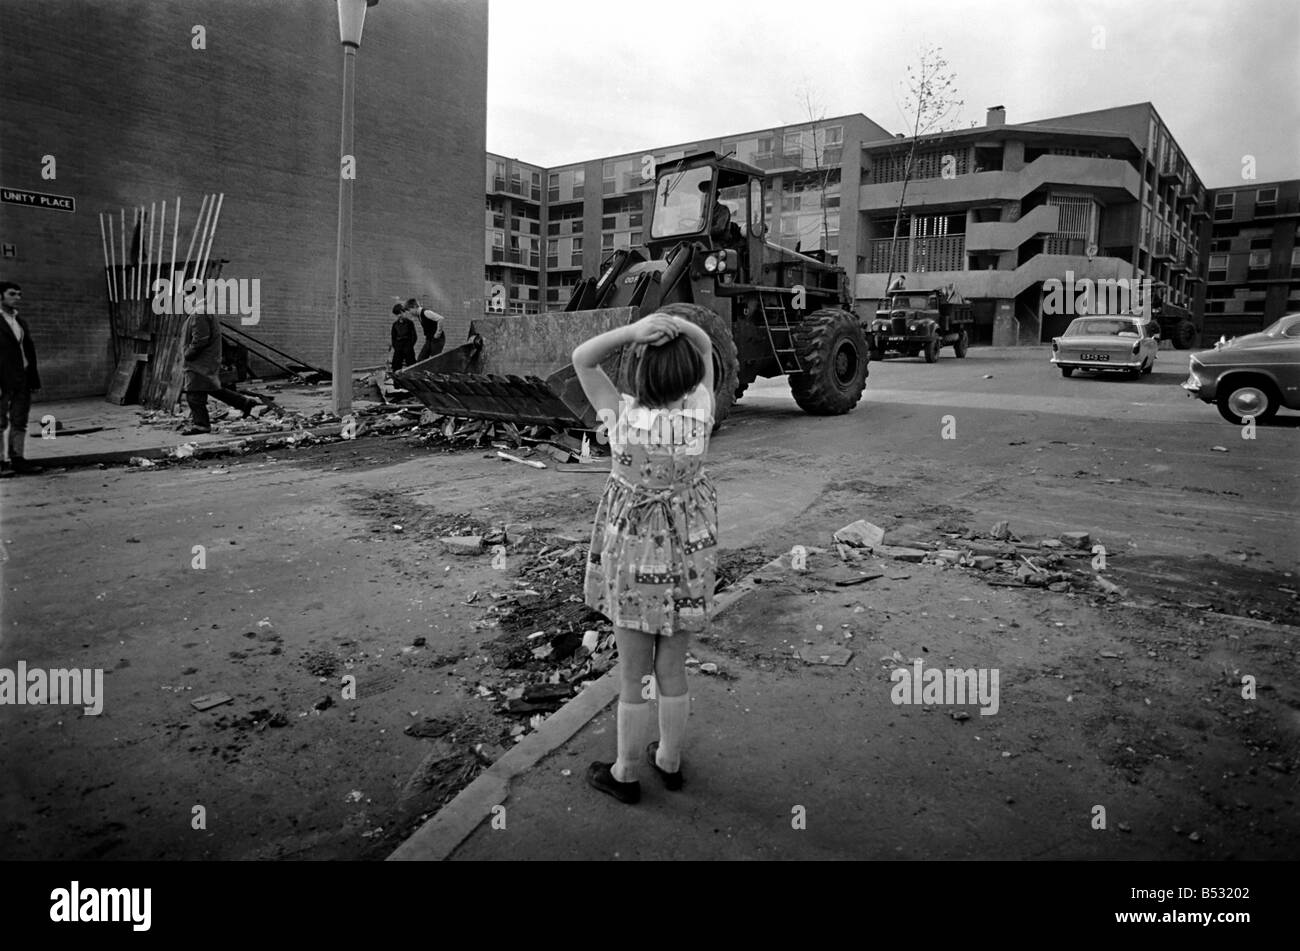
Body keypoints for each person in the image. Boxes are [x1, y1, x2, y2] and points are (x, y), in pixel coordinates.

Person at [571, 310, 718, 804]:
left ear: (638, 374)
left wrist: (636, 332)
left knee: (632, 674)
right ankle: (670, 761)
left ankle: (627, 771)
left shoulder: (621, 416)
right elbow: (705, 350)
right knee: (674, 668)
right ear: (691, 377)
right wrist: (683, 326)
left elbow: (582, 358)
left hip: (634, 562)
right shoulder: (701, 412)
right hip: (687, 561)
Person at [180, 297, 261, 436]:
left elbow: (200, 339)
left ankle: (201, 425)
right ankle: (244, 403)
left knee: (194, 394)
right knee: (211, 388)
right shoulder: (204, 311)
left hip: (199, 362)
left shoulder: (200, 313)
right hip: (204, 360)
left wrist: (188, 354)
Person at [0, 281, 41, 476]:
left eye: (19, 294)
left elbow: (28, 352)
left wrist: (33, 380)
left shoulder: (19, 321)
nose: (17, 297)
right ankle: (0, 462)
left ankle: (17, 459)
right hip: (2, 380)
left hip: (22, 379)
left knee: (19, 420)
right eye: (12, 294)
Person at [390, 303, 418, 372]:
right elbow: (393, 337)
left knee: (412, 365)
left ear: (403, 312)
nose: (399, 315)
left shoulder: (410, 323)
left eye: (400, 313)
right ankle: (396, 381)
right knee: (396, 366)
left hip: (408, 345)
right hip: (398, 346)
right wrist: (396, 346)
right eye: (397, 314)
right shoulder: (395, 325)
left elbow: (414, 336)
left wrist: (409, 346)